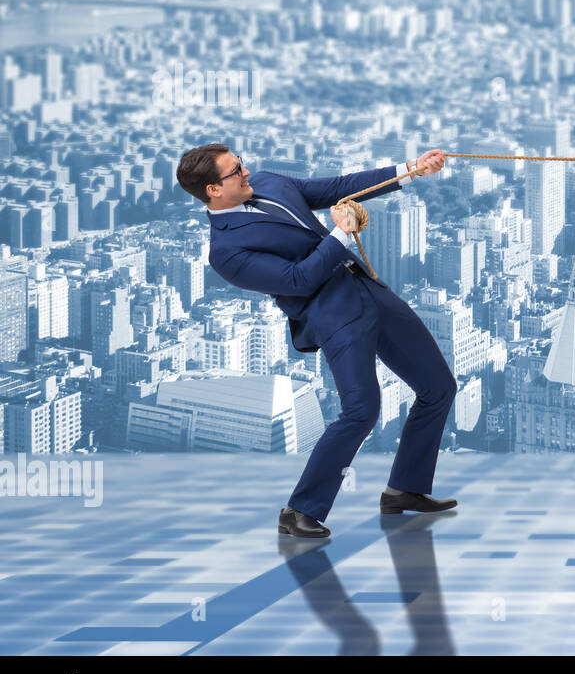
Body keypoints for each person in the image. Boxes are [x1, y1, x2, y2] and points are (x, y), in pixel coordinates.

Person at [175, 143, 458, 538]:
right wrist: (342, 233)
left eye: (241, 164)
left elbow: (338, 187)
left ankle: (405, 489)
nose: (246, 172)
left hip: (367, 289)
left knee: (439, 387)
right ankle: (299, 510)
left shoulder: (268, 182)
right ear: (213, 191)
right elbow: (298, 280)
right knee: (362, 409)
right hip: (332, 314)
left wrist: (411, 169)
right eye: (235, 171)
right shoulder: (226, 251)